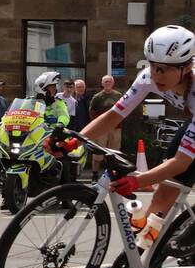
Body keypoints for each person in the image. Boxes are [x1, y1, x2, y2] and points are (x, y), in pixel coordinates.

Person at [63, 26, 195, 239]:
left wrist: (138, 181)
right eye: (153, 66)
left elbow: (181, 162)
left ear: (187, 67)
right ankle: (140, 256)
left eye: (165, 69)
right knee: (164, 193)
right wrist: (76, 140)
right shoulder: (147, 78)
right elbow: (114, 115)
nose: (157, 75)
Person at [89, 74, 123, 178]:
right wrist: (97, 124)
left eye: (109, 81)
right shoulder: (97, 97)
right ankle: (95, 175)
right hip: (101, 129)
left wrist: (119, 121)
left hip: (115, 127)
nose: (108, 83)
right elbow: (92, 111)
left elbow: (124, 109)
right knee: (98, 153)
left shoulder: (118, 95)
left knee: (114, 152)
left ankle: (112, 174)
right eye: (106, 82)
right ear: (102, 84)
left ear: (113, 83)